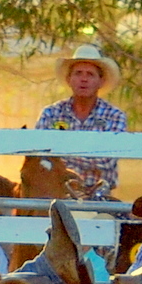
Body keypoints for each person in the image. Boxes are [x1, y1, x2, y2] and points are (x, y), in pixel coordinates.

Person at [34, 45, 127, 200]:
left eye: (90, 74)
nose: (84, 79)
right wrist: (89, 156)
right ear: (69, 79)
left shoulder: (114, 116)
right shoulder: (51, 113)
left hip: (99, 197)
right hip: (56, 195)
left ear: (100, 81)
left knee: (116, 221)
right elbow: (40, 158)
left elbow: (106, 160)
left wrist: (60, 156)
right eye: (78, 73)